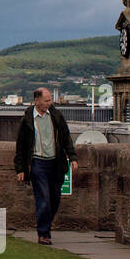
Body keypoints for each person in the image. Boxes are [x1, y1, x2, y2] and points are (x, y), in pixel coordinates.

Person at [13, 87, 78, 245]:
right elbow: (20, 146)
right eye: (47, 100)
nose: (50, 103)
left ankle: (45, 227)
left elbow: (65, 137)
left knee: (55, 199)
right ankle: (43, 233)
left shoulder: (56, 116)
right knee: (44, 200)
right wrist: (20, 169)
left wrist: (72, 157)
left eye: (50, 100)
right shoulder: (28, 120)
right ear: (37, 101)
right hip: (38, 163)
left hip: (56, 162)